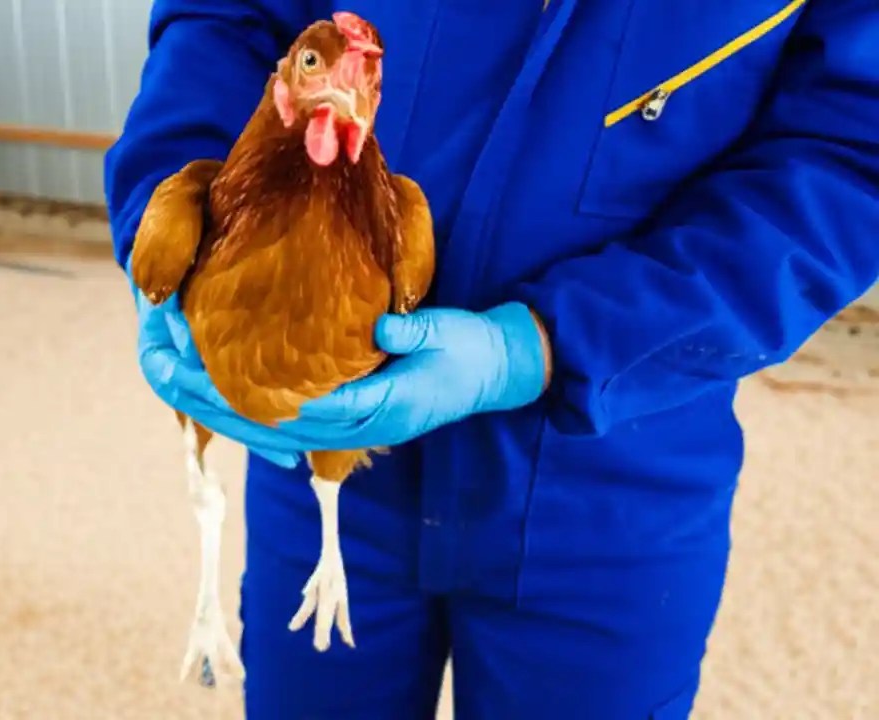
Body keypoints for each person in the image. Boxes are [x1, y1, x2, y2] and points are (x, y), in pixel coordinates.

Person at [103, 1, 879, 717]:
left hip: (612, 476)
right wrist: (178, 226)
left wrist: (554, 342)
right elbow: (224, 16)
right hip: (323, 430)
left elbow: (853, 148)